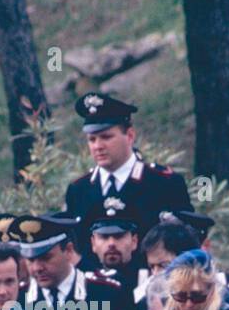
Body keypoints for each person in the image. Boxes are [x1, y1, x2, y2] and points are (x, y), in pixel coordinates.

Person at [63, 92, 192, 263]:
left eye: (106, 137)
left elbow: (185, 246)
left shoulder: (164, 183)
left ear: (130, 136)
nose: (98, 146)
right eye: (92, 139)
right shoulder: (79, 189)